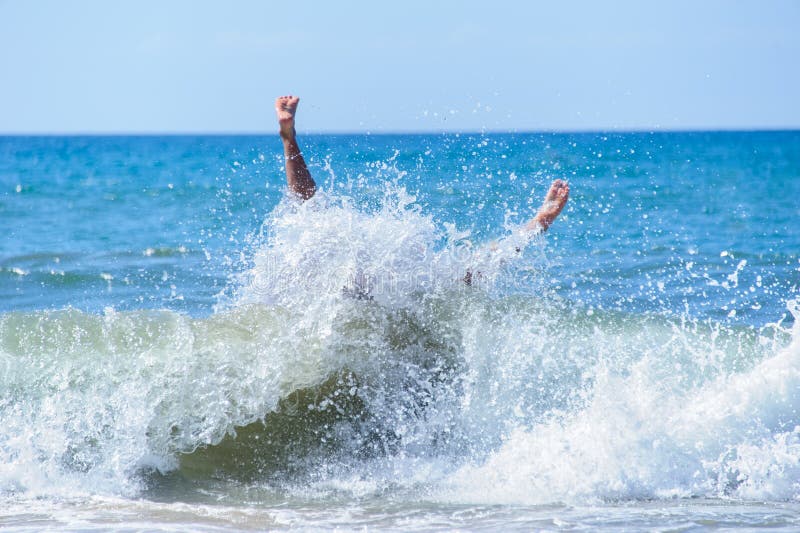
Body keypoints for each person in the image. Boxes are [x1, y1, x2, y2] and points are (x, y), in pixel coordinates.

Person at [274, 95, 569, 285]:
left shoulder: (415, 284)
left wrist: (540, 221)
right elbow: (489, 263)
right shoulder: (424, 285)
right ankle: (289, 139)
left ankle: (289, 139)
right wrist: (539, 223)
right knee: (313, 218)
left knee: (312, 217)